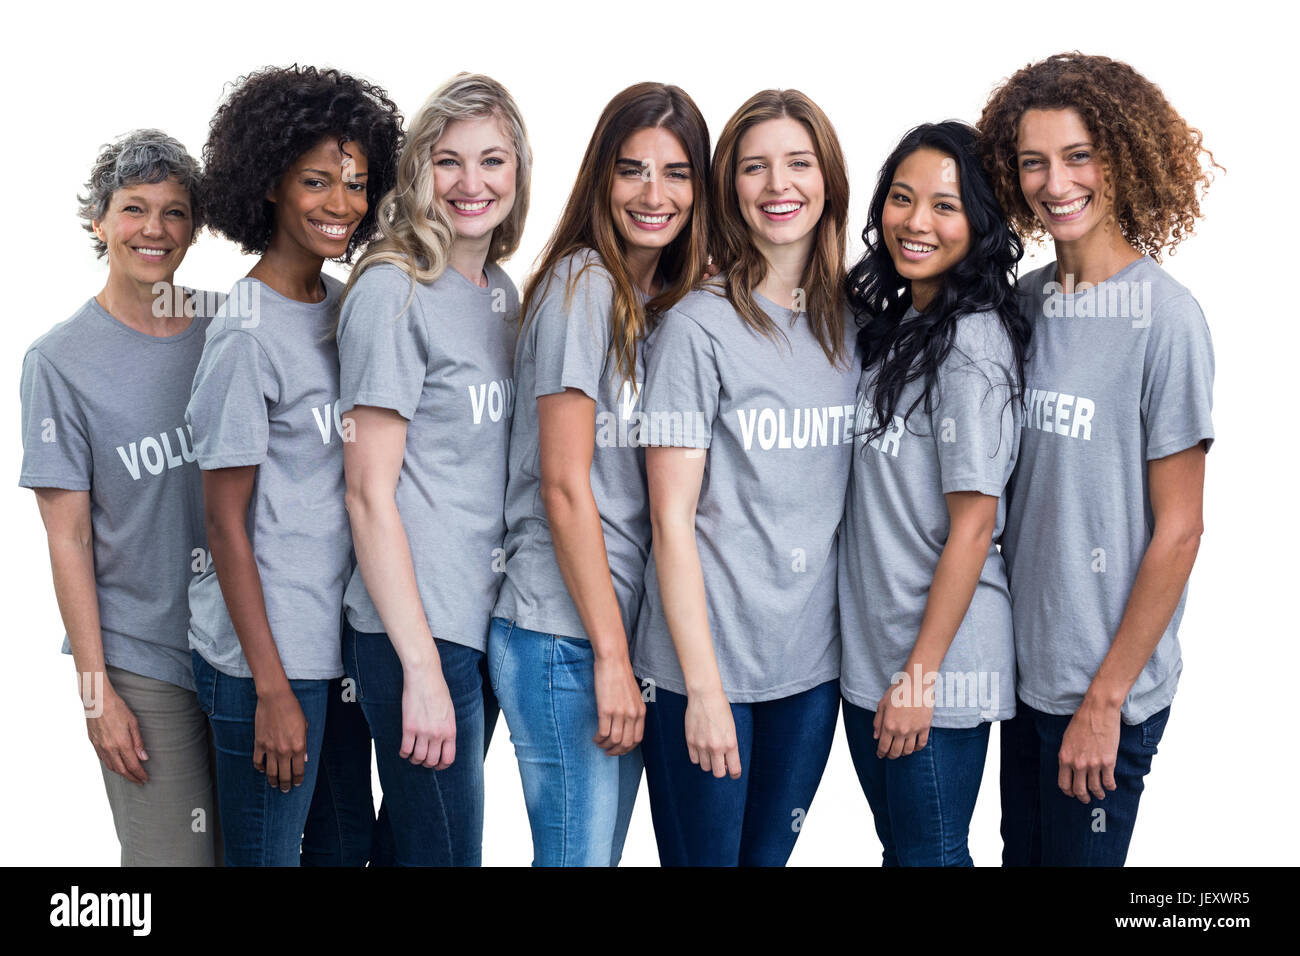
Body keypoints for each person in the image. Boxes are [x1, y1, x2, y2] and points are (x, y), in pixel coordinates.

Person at [978, 52, 1218, 866]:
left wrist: (1106, 700)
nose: (1056, 183)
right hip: (1022, 673)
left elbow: (1180, 531)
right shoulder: (1024, 303)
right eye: (1034, 161)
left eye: (1079, 156)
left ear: (1123, 158)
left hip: (1107, 689)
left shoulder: (1167, 320)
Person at [633, 89, 856, 866]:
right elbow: (670, 522)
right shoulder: (696, 327)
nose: (777, 185)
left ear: (827, 178)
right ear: (730, 188)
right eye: (755, 168)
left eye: (798, 163)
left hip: (809, 671)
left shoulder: (852, 325)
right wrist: (701, 689)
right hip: (702, 666)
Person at [490, 82, 710, 866]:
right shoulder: (583, 284)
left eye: (677, 173)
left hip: (613, 634)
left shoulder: (653, 299)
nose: (655, 194)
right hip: (566, 637)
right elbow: (562, 483)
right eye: (632, 170)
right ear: (600, 180)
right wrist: (613, 659)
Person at [187, 64, 402, 866]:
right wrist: (271, 688)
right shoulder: (245, 335)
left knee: (346, 850)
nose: (340, 204)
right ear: (270, 183)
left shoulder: (353, 306)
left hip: (340, 647)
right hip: (264, 665)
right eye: (316, 181)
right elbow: (223, 523)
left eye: (355, 183)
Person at [336, 72, 530, 866]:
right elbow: (366, 493)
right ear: (419, 170)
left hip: (480, 622)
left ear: (519, 174)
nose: (471, 183)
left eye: (493, 161)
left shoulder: (502, 294)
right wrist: (420, 666)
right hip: (413, 630)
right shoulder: (394, 289)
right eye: (449, 161)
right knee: (446, 854)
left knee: (413, 844)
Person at [19, 129, 222, 866]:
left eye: (174, 212)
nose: (155, 230)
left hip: (241, 650)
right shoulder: (60, 361)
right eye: (134, 208)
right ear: (99, 221)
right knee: (175, 858)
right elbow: (66, 538)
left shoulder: (226, 321)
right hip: (143, 657)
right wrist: (96, 694)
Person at [838, 121, 1029, 866]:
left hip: (940, 665)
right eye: (902, 198)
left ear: (979, 224)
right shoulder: (902, 326)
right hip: (875, 653)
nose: (916, 222)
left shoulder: (972, 345)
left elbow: (975, 528)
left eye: (945, 206)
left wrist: (919, 679)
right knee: (909, 854)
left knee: (932, 857)